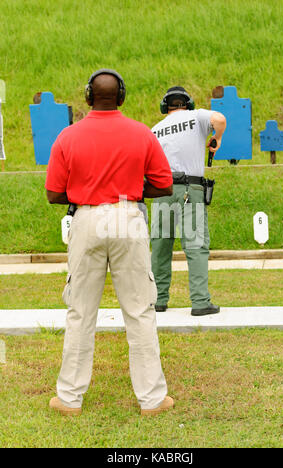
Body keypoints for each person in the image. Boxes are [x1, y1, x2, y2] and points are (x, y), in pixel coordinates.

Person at [45, 69, 174, 416]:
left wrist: (86, 192)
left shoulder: (67, 137)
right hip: (127, 215)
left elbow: (54, 194)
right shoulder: (141, 133)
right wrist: (128, 190)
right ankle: (152, 399)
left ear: (88, 96)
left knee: (80, 312)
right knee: (139, 310)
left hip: (86, 219)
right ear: (122, 96)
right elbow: (164, 186)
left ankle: (69, 399)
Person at [151, 86, 226, 316]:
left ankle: (158, 300)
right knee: (195, 244)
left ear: (166, 106)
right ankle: (200, 302)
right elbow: (220, 119)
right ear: (187, 103)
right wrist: (217, 137)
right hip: (190, 189)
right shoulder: (196, 116)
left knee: (160, 245)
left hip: (161, 190)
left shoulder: (154, 130)